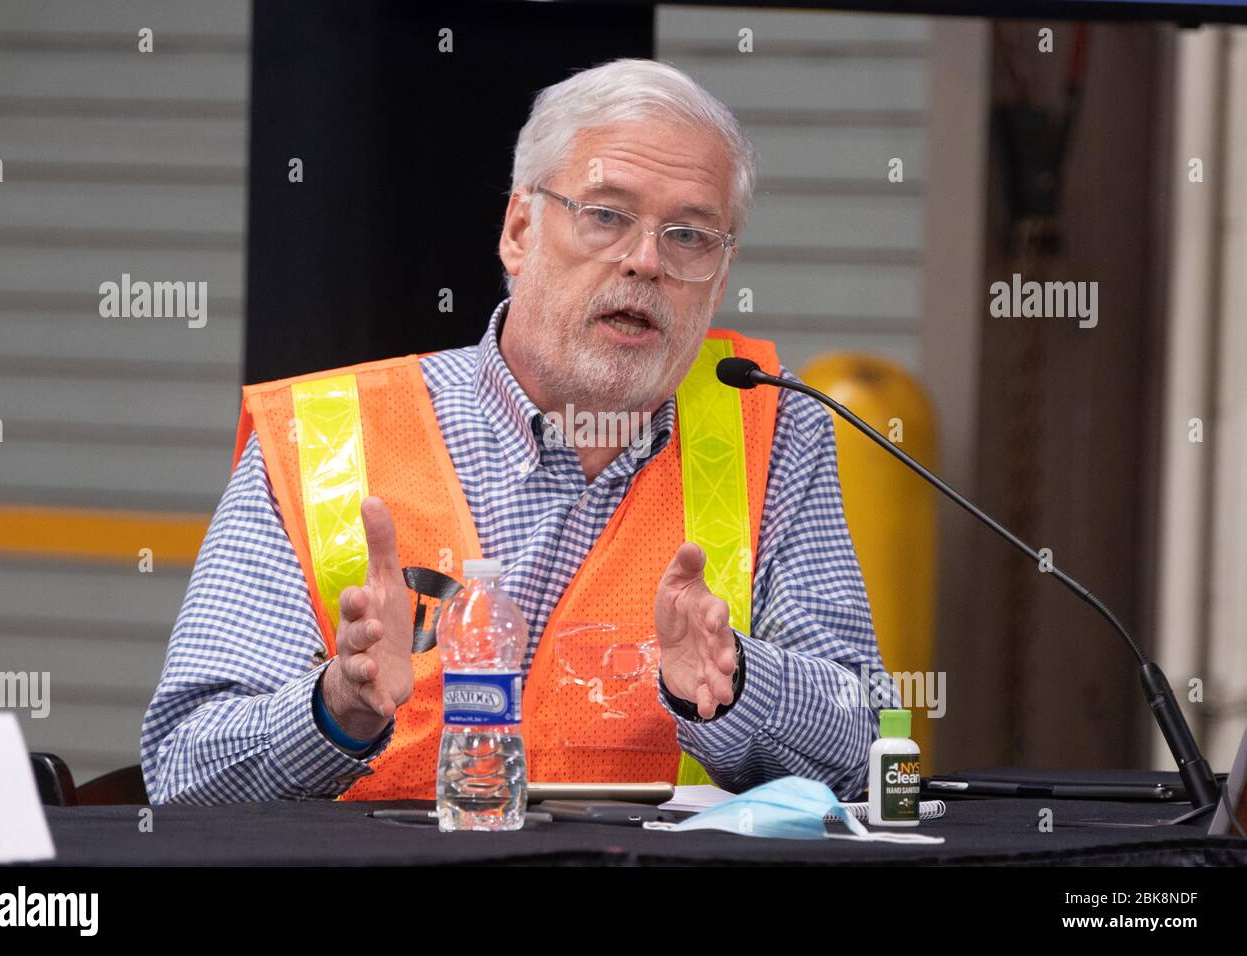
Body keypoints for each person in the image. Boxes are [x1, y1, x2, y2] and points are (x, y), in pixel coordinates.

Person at [141, 58, 894, 805]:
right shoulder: (325, 436)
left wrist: (738, 686)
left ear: (722, 278)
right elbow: (182, 773)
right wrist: (336, 706)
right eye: (605, 215)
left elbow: (871, 752)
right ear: (519, 229)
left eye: (689, 235)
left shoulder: (773, 427)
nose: (644, 261)